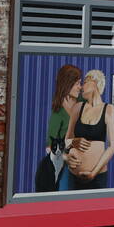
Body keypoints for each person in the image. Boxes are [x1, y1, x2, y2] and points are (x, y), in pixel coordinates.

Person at [59, 70, 114, 191]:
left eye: (85, 82)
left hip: (98, 177)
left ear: (94, 82)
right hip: (73, 177)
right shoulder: (77, 107)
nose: (81, 87)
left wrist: (93, 173)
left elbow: (112, 147)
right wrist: (71, 146)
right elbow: (66, 141)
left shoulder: (108, 109)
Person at [38, 64, 82, 193]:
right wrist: (66, 158)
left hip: (85, 161)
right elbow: (49, 147)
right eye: (77, 83)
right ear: (68, 84)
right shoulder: (58, 112)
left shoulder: (82, 102)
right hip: (67, 164)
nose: (80, 87)